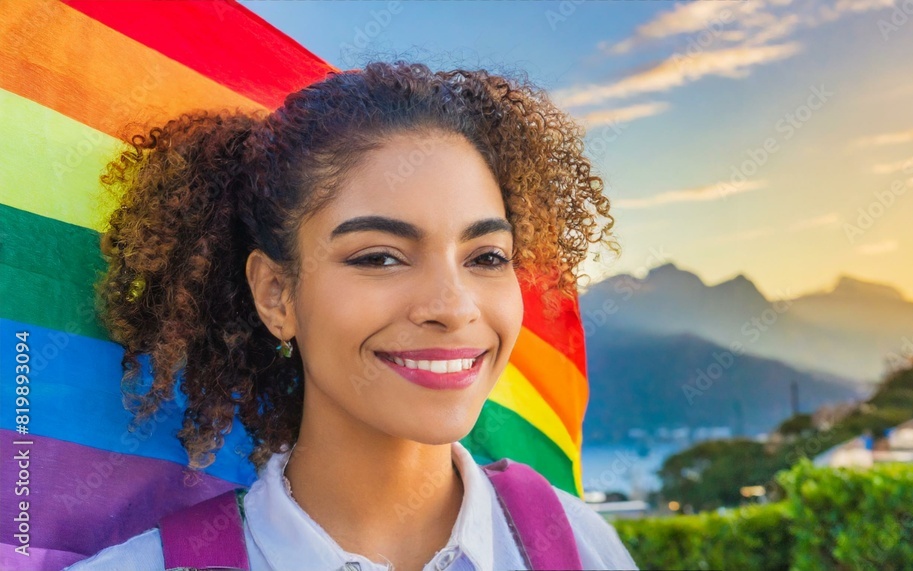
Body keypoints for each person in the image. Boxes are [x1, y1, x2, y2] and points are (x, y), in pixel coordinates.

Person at [65, 61, 635, 570]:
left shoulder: (579, 547)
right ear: (276, 295)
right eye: (380, 257)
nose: (453, 306)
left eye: (486, 257)